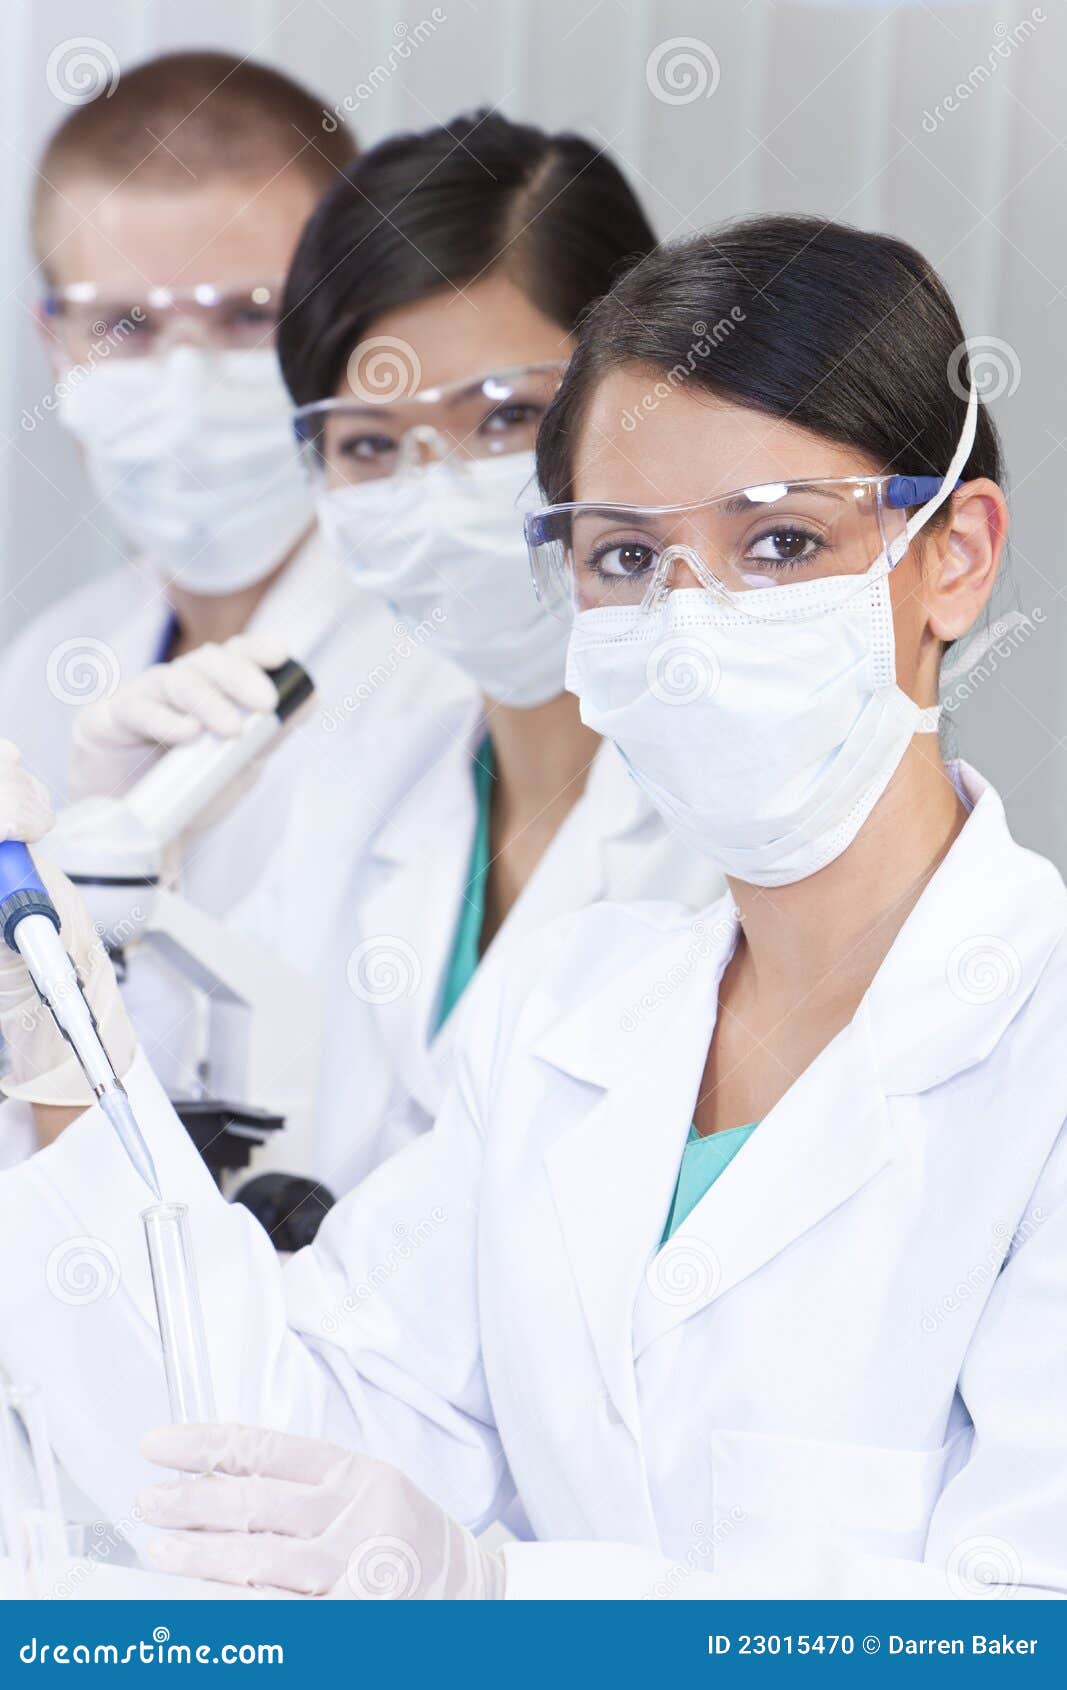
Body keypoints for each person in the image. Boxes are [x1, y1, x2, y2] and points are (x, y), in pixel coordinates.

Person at [4, 216, 1063, 1601]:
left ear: (954, 556)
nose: (689, 619)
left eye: (781, 542)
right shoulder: (569, 1009)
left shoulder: (1033, 1048)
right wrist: (49, 998)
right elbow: (257, 1434)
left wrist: (503, 1598)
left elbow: (1008, 1622)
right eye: (624, 558)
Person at [67, 113, 723, 1191]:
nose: (436, 489)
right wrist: (109, 926)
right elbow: (167, 1200)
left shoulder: (742, 821)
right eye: (370, 443)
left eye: (506, 417)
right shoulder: (360, 784)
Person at [0, 51, 459, 1119]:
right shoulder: (46, 664)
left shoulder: (454, 667)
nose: (186, 375)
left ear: (342, 324)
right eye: (126, 325)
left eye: (250, 316)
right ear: (53, 341)